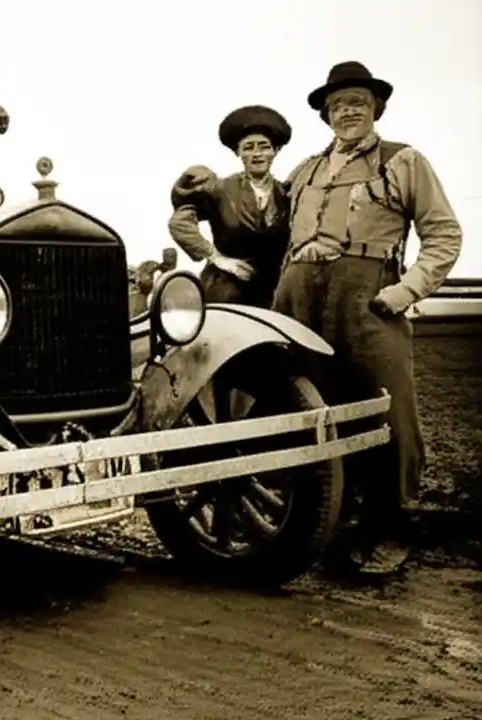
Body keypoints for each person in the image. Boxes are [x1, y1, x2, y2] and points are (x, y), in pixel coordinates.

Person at [272, 61, 463, 576]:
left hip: (368, 299)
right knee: (306, 405)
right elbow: (264, 225)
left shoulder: (403, 161)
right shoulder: (305, 171)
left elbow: (444, 234)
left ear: (376, 107)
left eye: (358, 101)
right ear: (326, 115)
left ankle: (391, 526)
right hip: (300, 300)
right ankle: (323, 519)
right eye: (338, 105)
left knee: (387, 408)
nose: (348, 111)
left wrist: (404, 291)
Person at [168, 105, 294, 307]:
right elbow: (180, 223)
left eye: (264, 146)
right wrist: (216, 257)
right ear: (238, 153)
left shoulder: (288, 193)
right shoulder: (220, 189)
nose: (257, 154)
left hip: (272, 292)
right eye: (248, 148)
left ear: (275, 151)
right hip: (225, 290)